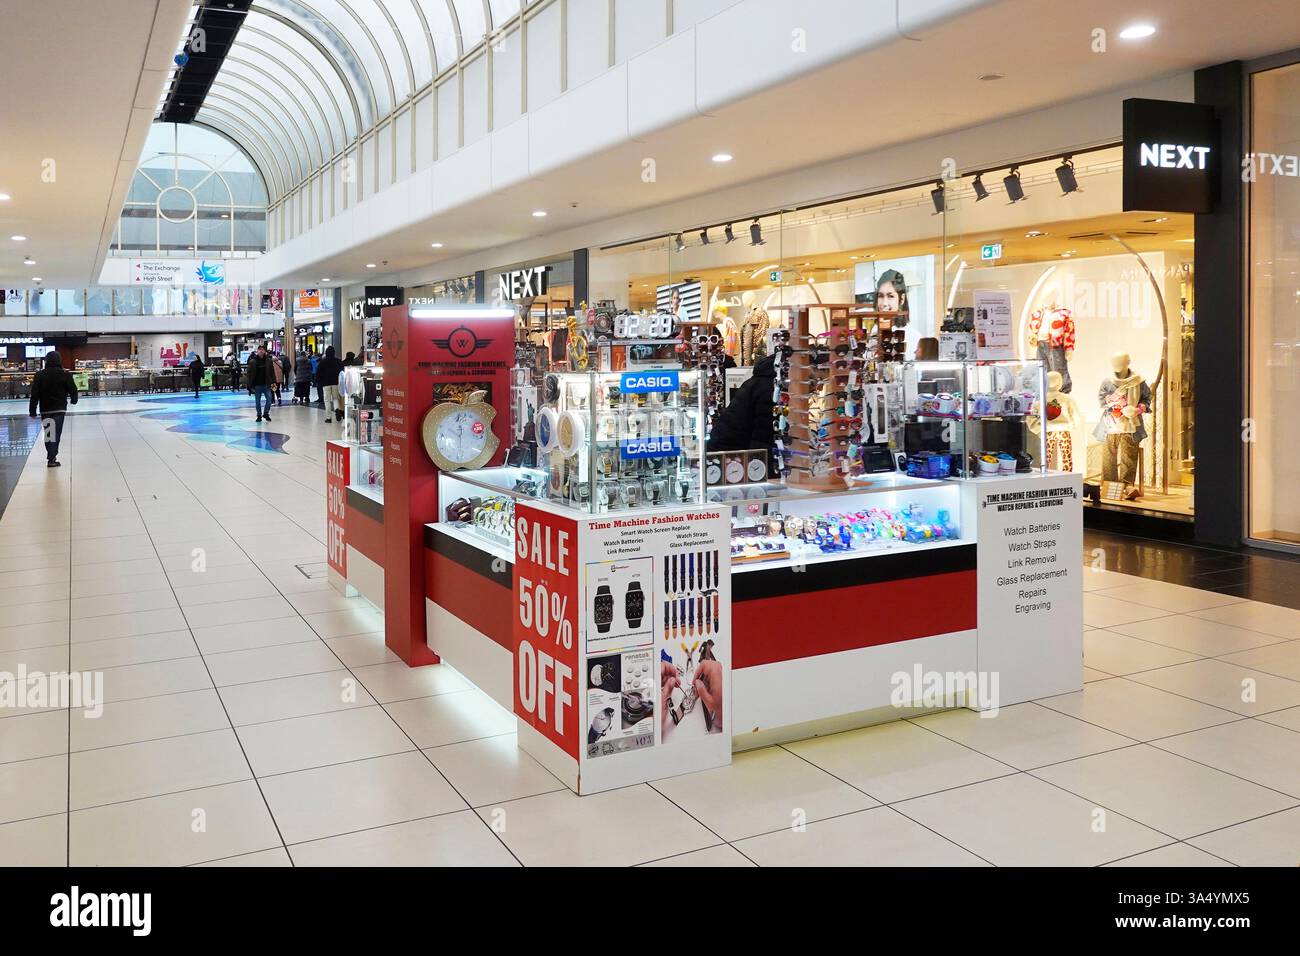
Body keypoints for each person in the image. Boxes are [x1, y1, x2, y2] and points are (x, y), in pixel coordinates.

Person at [706, 354, 775, 455]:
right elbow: (724, 436)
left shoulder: (756, 384)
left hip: (759, 462)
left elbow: (723, 435)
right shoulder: (759, 383)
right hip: (760, 463)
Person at [28, 351, 78, 467]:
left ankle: (51, 457)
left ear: (46, 361)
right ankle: (52, 458)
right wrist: (74, 400)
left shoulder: (39, 375)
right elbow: (73, 389)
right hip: (59, 409)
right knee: (57, 433)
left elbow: (34, 394)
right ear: (59, 361)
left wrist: (32, 411)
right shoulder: (65, 374)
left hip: (45, 409)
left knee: (49, 433)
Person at [245, 342, 276, 422]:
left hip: (266, 384)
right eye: (260, 350)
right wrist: (249, 385)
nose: (261, 351)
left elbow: (272, 373)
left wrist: (274, 383)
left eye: (263, 350)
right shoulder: (252, 361)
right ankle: (259, 415)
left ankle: (266, 413)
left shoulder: (269, 361)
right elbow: (249, 374)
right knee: (257, 401)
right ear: (257, 351)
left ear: (265, 351)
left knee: (269, 399)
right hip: (257, 385)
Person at [315, 346, 344, 423]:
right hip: (336, 383)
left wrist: (318, 381)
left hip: (326, 383)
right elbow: (342, 371)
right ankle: (337, 410)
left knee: (327, 400)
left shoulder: (323, 361)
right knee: (335, 398)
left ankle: (329, 418)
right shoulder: (338, 361)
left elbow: (318, 373)